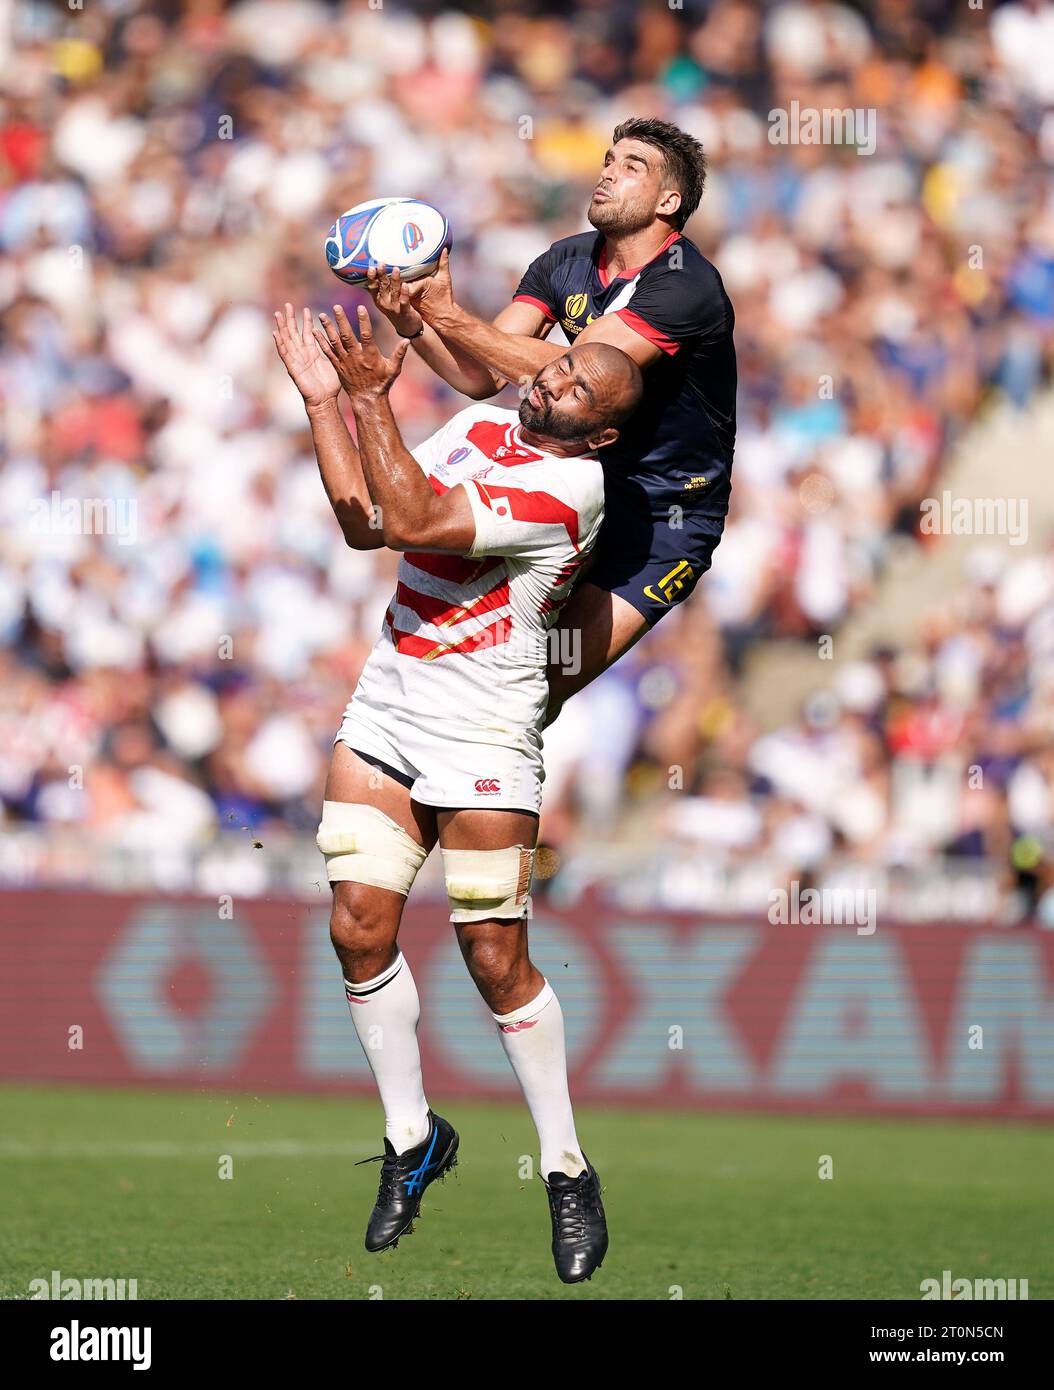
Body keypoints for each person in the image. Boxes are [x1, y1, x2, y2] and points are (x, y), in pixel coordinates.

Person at [272, 300, 642, 1282]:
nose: (550, 381)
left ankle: (564, 1165)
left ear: (598, 430)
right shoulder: (481, 425)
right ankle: (411, 1137)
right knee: (357, 924)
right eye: (558, 368)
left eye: (574, 389)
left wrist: (369, 402)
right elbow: (366, 522)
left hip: (483, 722)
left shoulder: (573, 488)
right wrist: (325, 404)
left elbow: (421, 518)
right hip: (390, 698)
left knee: (490, 949)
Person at [366, 116, 736, 720]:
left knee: (536, 691)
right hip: (567, 484)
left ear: (670, 201)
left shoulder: (687, 286)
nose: (609, 172)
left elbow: (575, 367)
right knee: (472, 680)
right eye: (609, 159)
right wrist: (414, 320)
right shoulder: (565, 260)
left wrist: (450, 314)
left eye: (632, 166)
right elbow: (479, 376)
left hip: (664, 519)